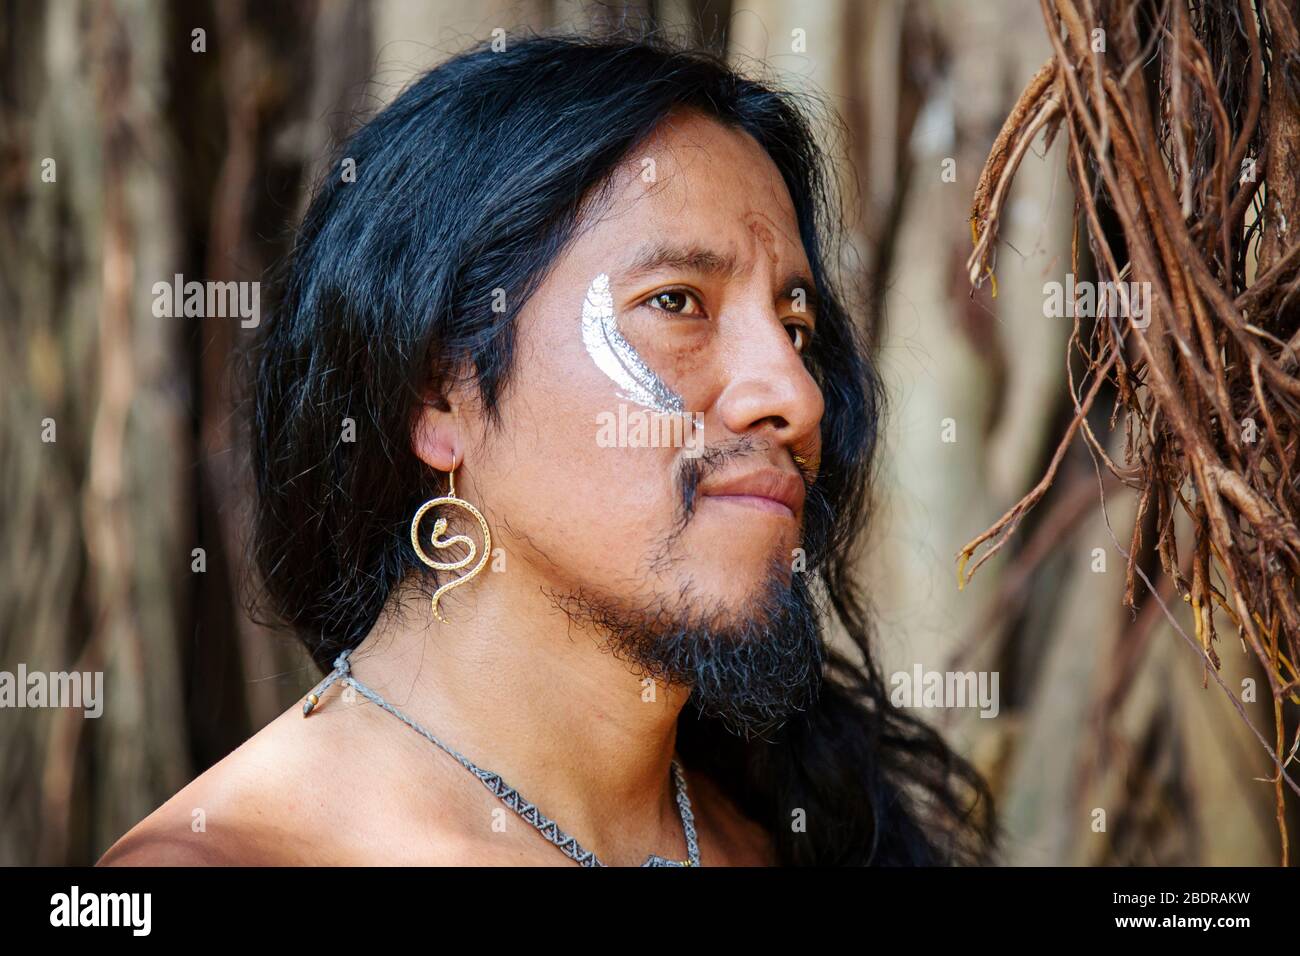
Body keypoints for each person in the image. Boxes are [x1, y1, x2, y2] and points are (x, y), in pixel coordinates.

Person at [99, 32, 995, 867]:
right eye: (678, 302)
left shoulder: (792, 835)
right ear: (436, 395)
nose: (795, 398)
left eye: (795, 327)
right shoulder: (234, 856)